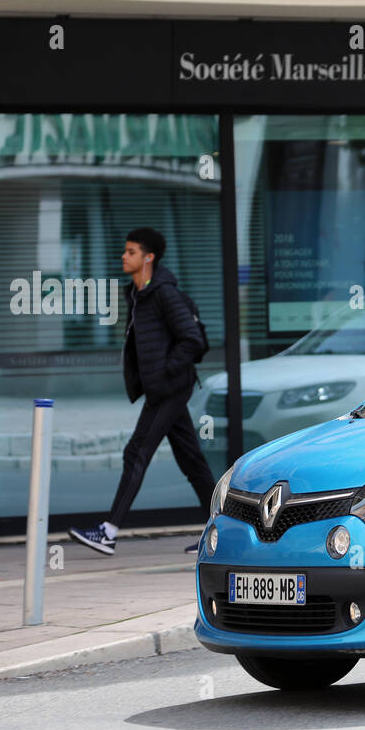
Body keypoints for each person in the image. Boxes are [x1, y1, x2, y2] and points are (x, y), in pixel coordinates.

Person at [68, 228, 215, 555]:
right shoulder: (138, 294)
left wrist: (164, 374)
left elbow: (192, 340)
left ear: (148, 257)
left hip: (170, 388)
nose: (124, 256)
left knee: (136, 452)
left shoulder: (163, 294)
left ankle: (108, 532)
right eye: (125, 251)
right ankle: (221, 532)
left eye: (131, 251)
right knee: (191, 460)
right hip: (162, 388)